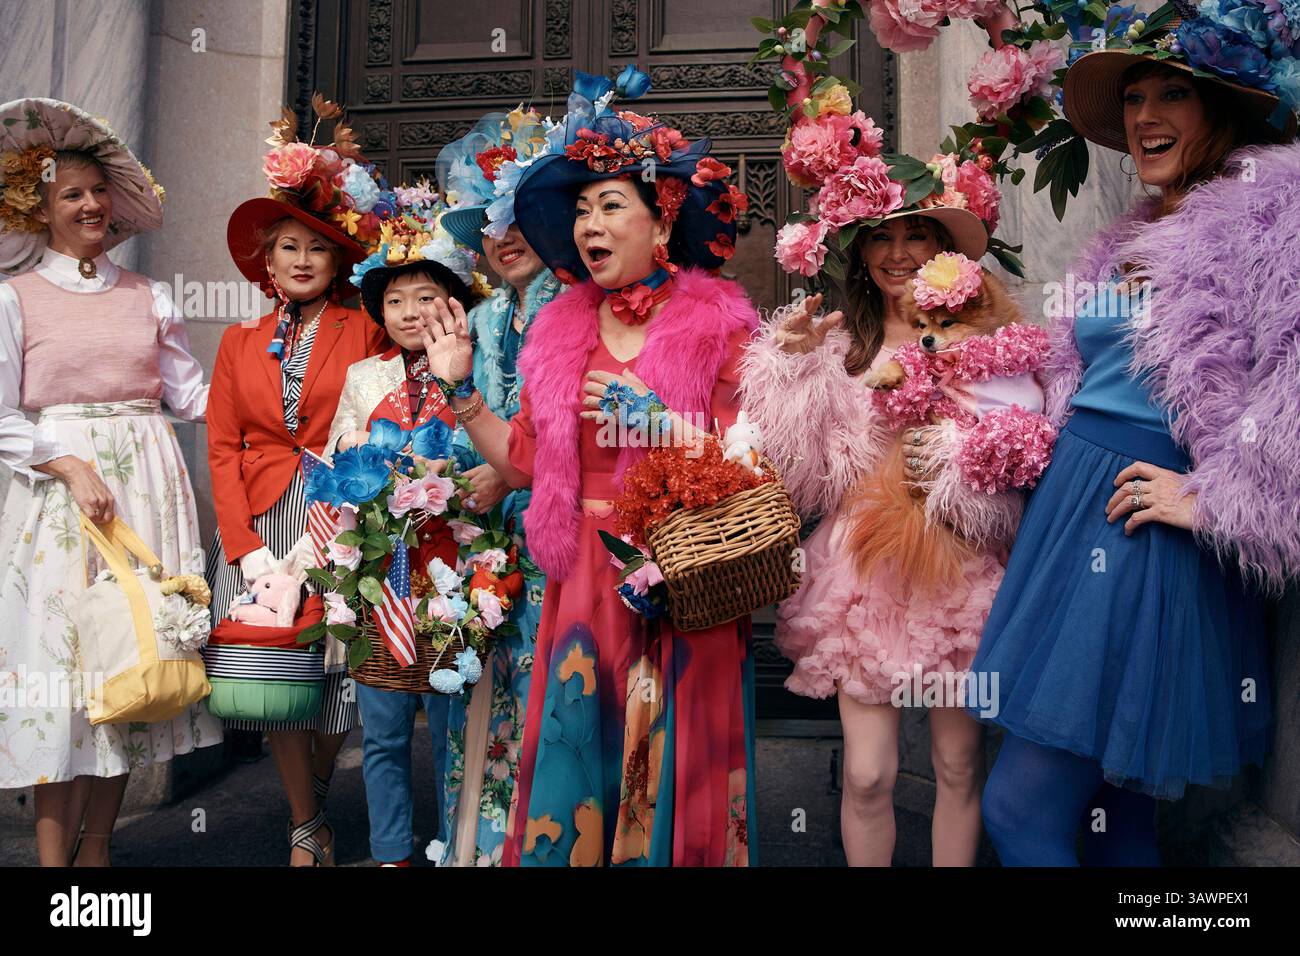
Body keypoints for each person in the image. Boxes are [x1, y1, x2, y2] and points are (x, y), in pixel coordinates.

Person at [969, 16, 1299, 865]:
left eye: (1173, 93)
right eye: (1136, 98)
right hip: (1074, 511)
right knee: (1118, 819)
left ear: (1223, 107)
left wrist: (1218, 496)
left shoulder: (1273, 219)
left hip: (1138, 529)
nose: (1146, 115)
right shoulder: (1130, 234)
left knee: (1018, 811)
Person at [418, 70, 761, 866]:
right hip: (583, 585)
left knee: (669, 773)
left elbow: (755, 466)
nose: (589, 224)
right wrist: (462, 390)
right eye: (580, 210)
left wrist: (663, 425)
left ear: (662, 221)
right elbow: (529, 463)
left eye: (611, 205)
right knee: (580, 768)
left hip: (682, 575)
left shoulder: (720, 326)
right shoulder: (561, 329)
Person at [742, 165, 1020, 866]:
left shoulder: (979, 336)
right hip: (862, 567)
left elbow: (1019, 442)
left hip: (956, 561)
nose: (898, 253)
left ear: (943, 250)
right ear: (859, 253)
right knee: (868, 774)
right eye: (881, 238)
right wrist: (790, 366)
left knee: (958, 765)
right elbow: (792, 465)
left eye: (917, 235)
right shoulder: (842, 347)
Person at [0, 97, 220, 866]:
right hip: (57, 501)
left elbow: (192, 397)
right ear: (42, 208)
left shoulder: (149, 295)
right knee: (65, 676)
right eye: (71, 194)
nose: (91, 204)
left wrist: (291, 400)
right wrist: (66, 464)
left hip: (148, 487)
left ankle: (98, 857)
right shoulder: (13, 298)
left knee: (135, 663)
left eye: (98, 191)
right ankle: (53, 869)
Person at [205, 101, 389, 866]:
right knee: (277, 672)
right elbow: (220, 447)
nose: (303, 259)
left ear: (336, 260)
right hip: (260, 522)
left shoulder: (366, 330)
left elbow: (379, 423)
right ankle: (306, 822)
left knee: (339, 671)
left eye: (317, 247)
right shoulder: (235, 341)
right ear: (268, 263)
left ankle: (316, 780)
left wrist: (351, 514)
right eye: (289, 248)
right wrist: (243, 547)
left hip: (338, 513)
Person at [326, 184, 489, 866]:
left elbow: (492, 453)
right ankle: (391, 850)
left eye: (426, 296)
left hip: (459, 569)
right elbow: (338, 451)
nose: (409, 311)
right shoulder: (365, 376)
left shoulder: (479, 366)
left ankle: (461, 845)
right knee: (385, 726)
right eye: (394, 300)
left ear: (453, 299)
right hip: (382, 570)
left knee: (457, 724)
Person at [430, 110, 560, 865]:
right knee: (473, 696)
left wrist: (505, 467)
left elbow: (562, 440)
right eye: (486, 224)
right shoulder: (476, 319)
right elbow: (453, 433)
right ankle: (475, 844)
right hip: (481, 544)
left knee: (547, 700)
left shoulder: (579, 315)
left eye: (515, 219)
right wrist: (454, 481)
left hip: (554, 540)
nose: (501, 238)